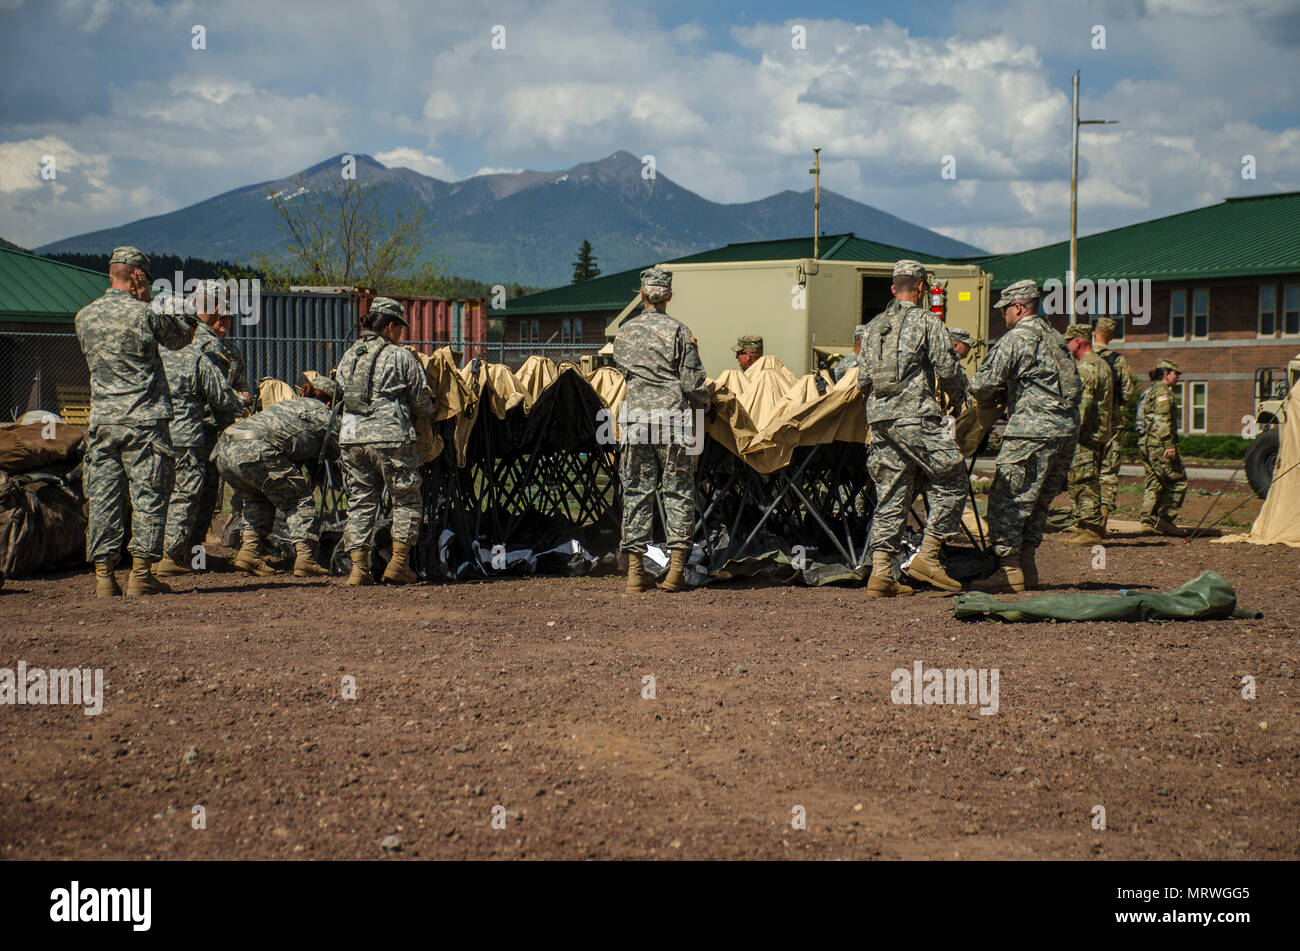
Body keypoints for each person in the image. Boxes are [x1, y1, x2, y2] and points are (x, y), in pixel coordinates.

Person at [74, 247, 195, 597]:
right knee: (149, 495)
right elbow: (181, 337)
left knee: (103, 497)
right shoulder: (146, 313)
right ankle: (141, 573)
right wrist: (148, 299)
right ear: (138, 276)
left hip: (102, 421)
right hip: (144, 422)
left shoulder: (84, 316)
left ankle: (103, 576)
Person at [856, 260, 968, 597]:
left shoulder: (872, 328)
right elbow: (947, 367)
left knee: (891, 494)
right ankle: (929, 555)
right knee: (953, 476)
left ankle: (881, 575)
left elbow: (863, 381)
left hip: (880, 422)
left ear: (894, 289)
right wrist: (959, 396)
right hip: (915, 418)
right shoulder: (927, 321)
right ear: (921, 288)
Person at [968, 279, 1082, 593]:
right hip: (1065, 431)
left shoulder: (1017, 338)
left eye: (1005, 309)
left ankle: (1008, 571)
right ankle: (1027, 567)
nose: (1002, 315)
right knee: (1038, 500)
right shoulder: (1055, 337)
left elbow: (981, 384)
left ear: (1019, 307)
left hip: (1032, 431)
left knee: (1008, 499)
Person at [614, 268, 709, 593]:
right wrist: (706, 403)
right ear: (669, 296)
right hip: (673, 421)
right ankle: (676, 572)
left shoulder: (625, 332)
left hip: (638, 421)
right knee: (677, 491)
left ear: (642, 295)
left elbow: (623, 371)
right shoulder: (681, 332)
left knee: (636, 491)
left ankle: (635, 573)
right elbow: (693, 384)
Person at [335, 297, 435, 584]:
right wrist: (433, 407)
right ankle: (399, 565)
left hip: (351, 438)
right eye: (400, 328)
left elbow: (340, 390)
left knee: (360, 501)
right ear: (391, 326)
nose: (402, 334)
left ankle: (358, 569)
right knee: (406, 499)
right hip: (391, 438)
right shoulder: (401, 357)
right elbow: (421, 404)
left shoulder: (350, 355)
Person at [153, 292, 247, 577]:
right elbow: (221, 396)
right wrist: (242, 401)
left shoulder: (151, 354)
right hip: (190, 434)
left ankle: (168, 555)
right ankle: (173, 556)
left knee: (157, 493)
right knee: (189, 493)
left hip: (156, 432)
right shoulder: (195, 355)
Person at [213, 375, 341, 577]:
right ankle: (305, 559)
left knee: (257, 498)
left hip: (225, 448)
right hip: (255, 449)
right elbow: (341, 449)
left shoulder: (289, 405)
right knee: (300, 499)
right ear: (329, 400)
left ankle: (249, 553)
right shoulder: (321, 412)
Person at [187, 281, 251, 550]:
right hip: (200, 426)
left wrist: (242, 396)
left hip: (221, 429)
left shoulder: (231, 351)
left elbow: (243, 386)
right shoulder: (198, 344)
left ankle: (196, 553)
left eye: (229, 317)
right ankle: (186, 552)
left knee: (213, 491)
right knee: (195, 490)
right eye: (221, 316)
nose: (225, 321)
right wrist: (238, 399)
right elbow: (216, 393)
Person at [1062, 323, 1114, 545]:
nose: (1066, 346)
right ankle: (1084, 526)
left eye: (1068, 341)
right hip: (1098, 434)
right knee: (1088, 478)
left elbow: (1080, 408)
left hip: (1085, 435)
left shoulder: (1087, 367)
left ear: (1077, 341)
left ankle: (1091, 529)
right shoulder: (1102, 364)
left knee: (1083, 480)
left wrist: (1067, 433)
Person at [1092, 317, 1136, 530]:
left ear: (1094, 333)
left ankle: (1085, 520)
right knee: (1108, 473)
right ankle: (1101, 520)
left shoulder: (1083, 358)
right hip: (1111, 424)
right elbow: (1128, 393)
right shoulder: (1117, 360)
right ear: (1112, 337)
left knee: (1086, 472)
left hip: (1086, 425)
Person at [1138, 358, 1188, 536]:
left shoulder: (1149, 391)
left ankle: (1147, 520)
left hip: (1146, 444)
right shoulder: (1163, 393)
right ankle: (1165, 520)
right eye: (1176, 373)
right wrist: (1168, 443)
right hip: (1159, 444)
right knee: (1178, 481)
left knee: (1155, 481)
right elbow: (1162, 419)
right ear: (1166, 373)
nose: (1178, 377)